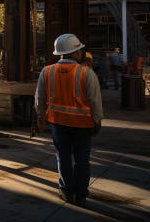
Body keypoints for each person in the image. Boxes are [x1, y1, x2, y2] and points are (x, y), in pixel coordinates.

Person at [35, 33, 103, 207]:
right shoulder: (86, 73)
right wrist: (97, 121)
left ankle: (66, 191)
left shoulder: (47, 71)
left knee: (63, 157)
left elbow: (40, 99)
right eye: (79, 50)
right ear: (75, 53)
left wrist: (40, 117)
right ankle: (81, 195)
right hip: (82, 125)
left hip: (58, 123)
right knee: (82, 160)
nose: (80, 53)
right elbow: (95, 101)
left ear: (60, 53)